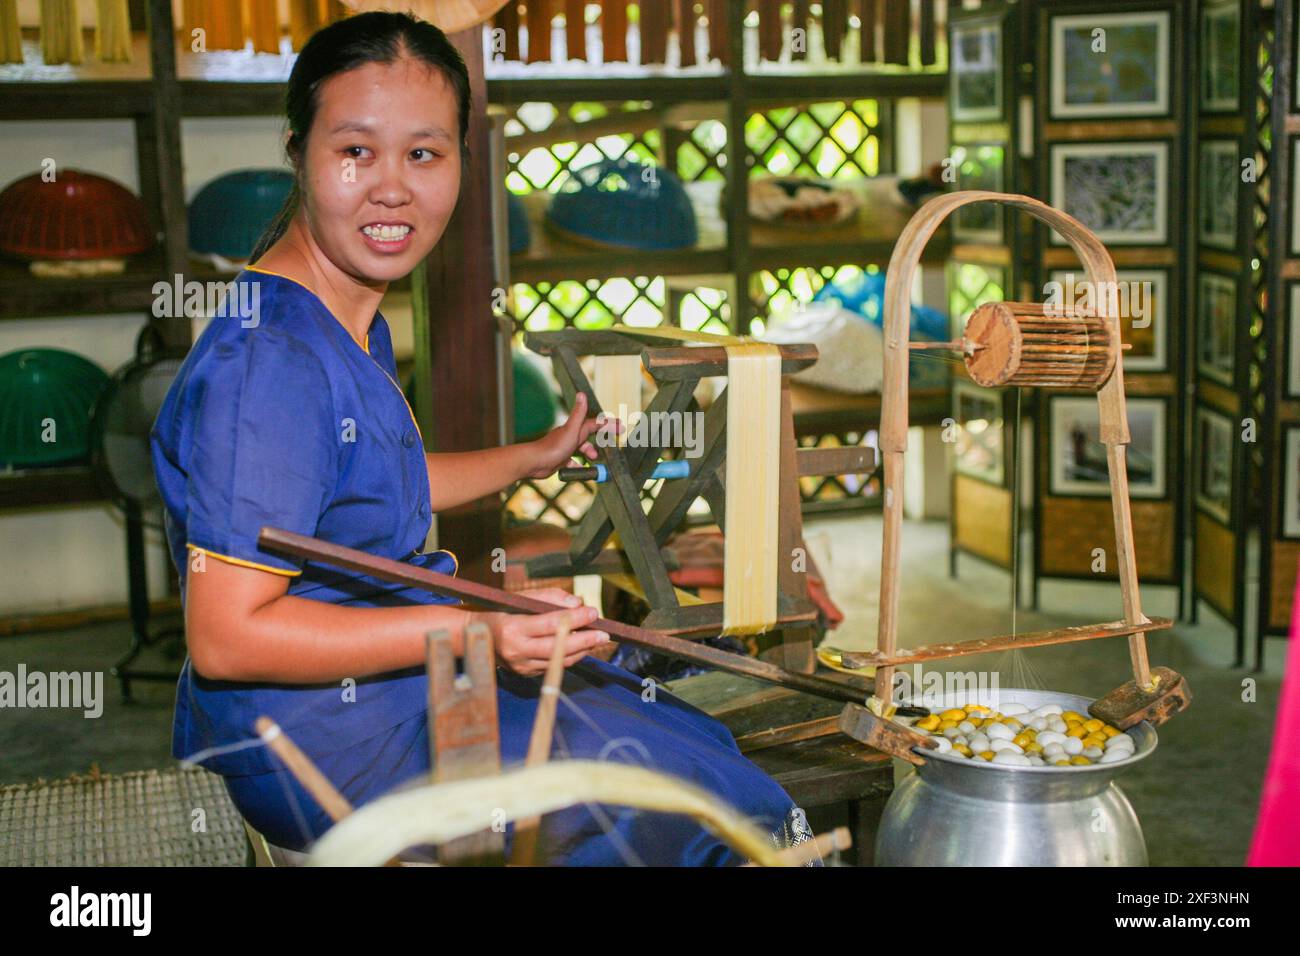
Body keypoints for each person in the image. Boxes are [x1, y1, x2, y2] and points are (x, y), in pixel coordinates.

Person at [151, 10, 811, 864]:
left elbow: (364, 482)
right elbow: (228, 637)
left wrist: (530, 456)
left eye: (424, 153)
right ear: (297, 149)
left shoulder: (335, 315)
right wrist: (478, 634)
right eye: (356, 149)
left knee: (678, 731)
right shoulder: (269, 363)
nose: (393, 187)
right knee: (697, 803)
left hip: (381, 687)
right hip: (320, 739)